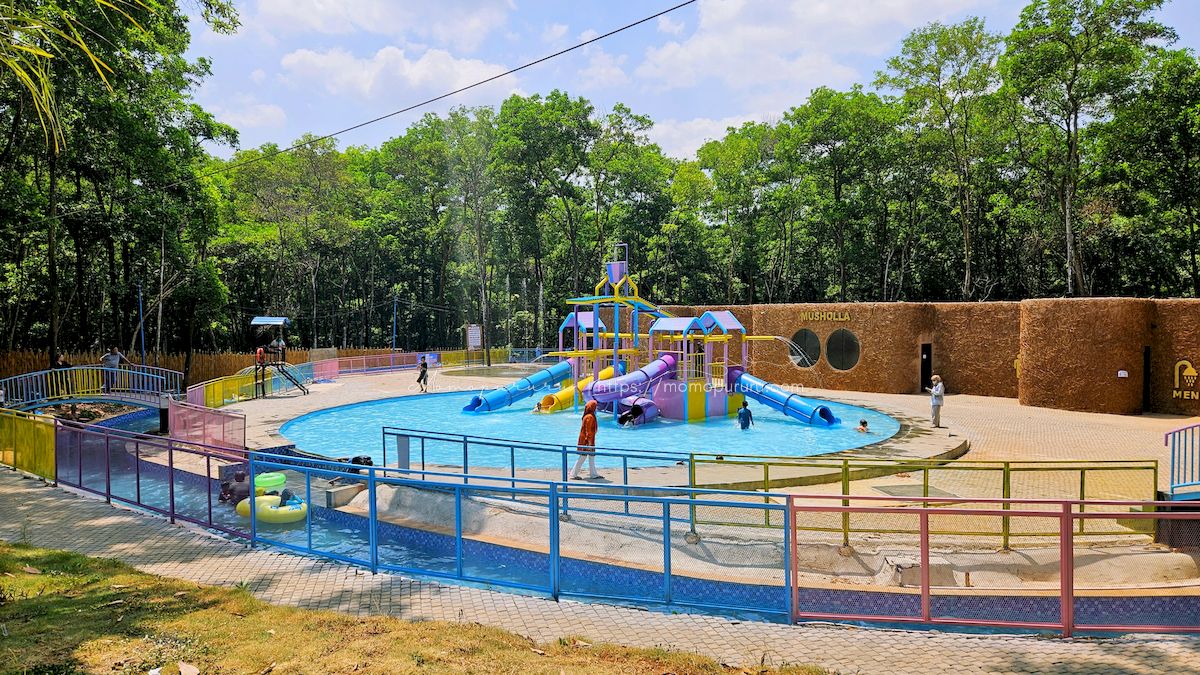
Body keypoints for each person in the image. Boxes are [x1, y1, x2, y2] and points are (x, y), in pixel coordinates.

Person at [571, 400, 600, 480]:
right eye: (595, 406)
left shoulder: (588, 415)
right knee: (583, 457)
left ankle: (593, 473)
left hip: (587, 440)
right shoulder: (590, 417)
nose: (596, 408)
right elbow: (589, 431)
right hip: (587, 441)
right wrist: (589, 443)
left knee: (590, 457)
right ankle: (574, 474)